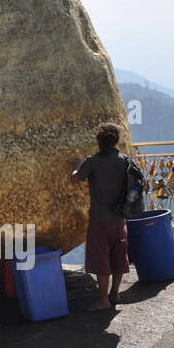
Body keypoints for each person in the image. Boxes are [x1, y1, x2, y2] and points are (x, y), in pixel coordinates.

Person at [71, 123, 131, 311]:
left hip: (100, 219)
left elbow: (77, 178)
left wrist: (76, 165)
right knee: (119, 256)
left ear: (99, 142)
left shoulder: (93, 161)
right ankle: (115, 293)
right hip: (120, 218)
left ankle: (103, 300)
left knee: (101, 258)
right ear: (116, 141)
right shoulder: (124, 160)